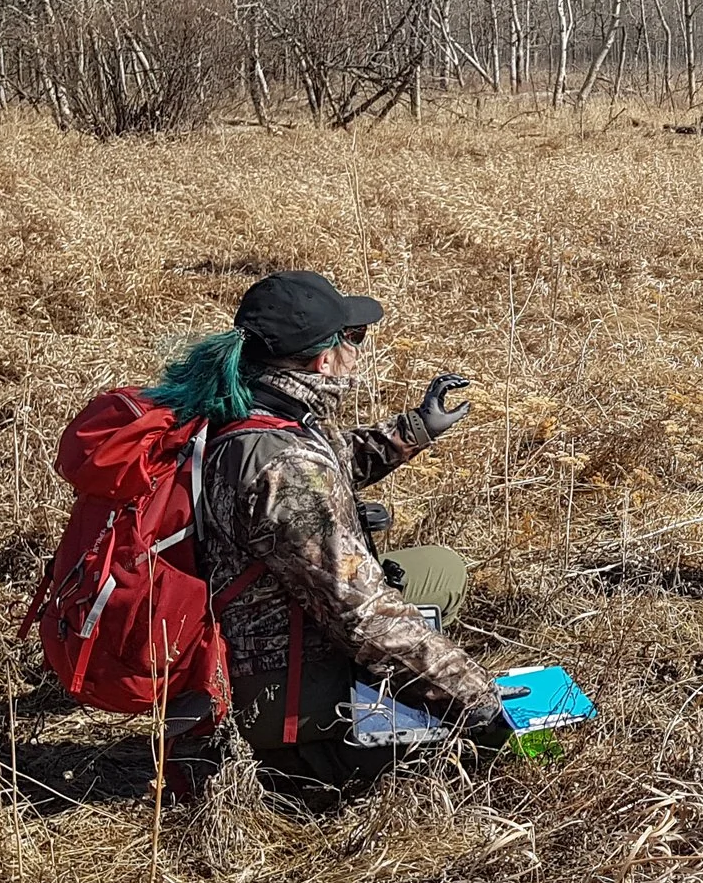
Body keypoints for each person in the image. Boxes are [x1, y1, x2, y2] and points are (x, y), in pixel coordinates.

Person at [152, 269, 508, 805]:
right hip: (270, 688)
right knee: (468, 750)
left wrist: (414, 429)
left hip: (241, 632)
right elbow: (363, 615)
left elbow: (331, 464)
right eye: (355, 340)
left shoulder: (246, 404)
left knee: (439, 568)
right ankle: (290, 765)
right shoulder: (286, 463)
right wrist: (479, 703)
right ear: (324, 360)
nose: (359, 353)